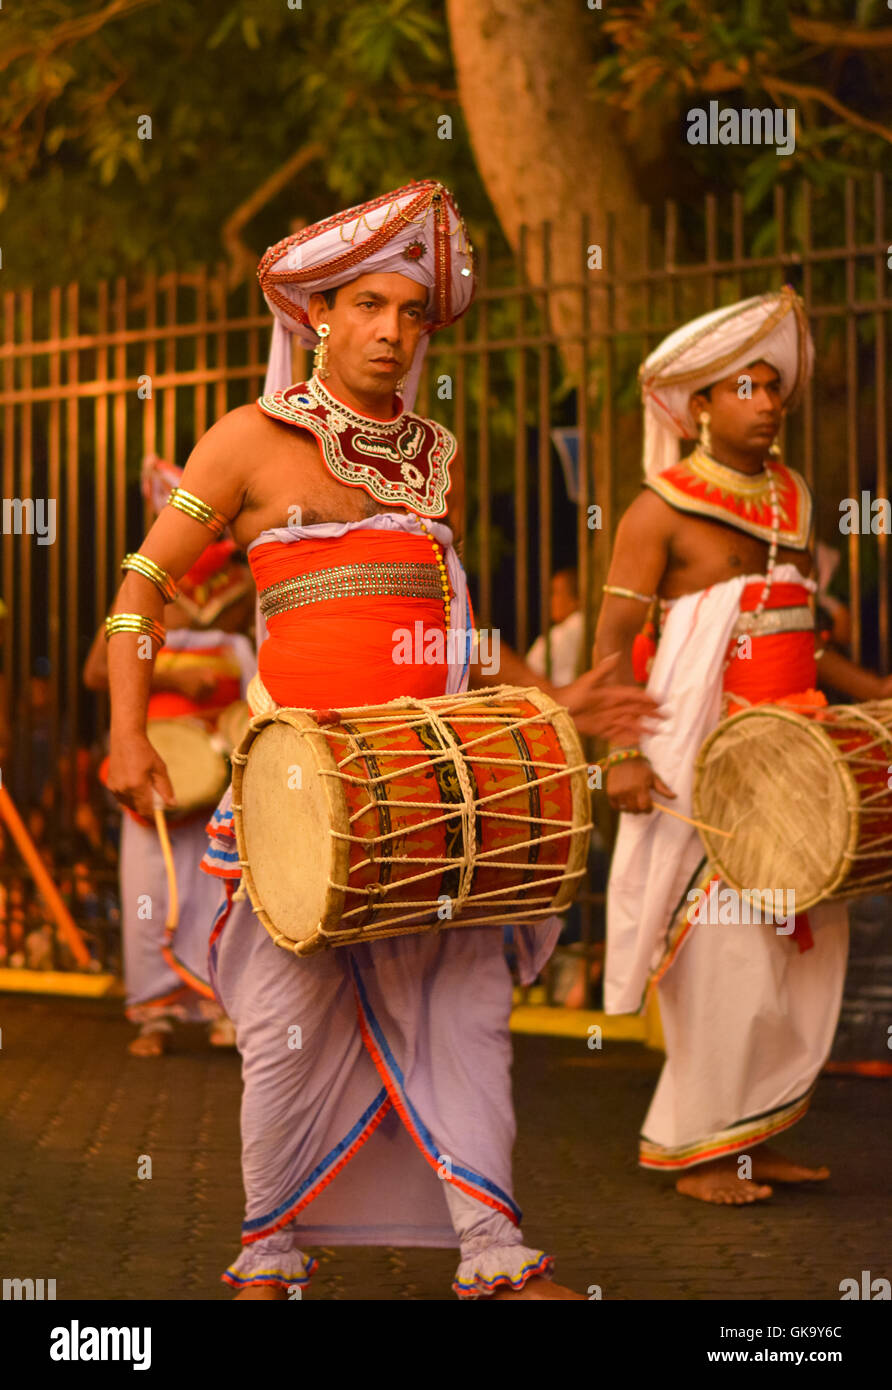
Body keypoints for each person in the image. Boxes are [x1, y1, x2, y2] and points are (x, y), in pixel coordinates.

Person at [104, 180, 659, 1298]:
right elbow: (140, 592)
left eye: (413, 315)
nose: (394, 333)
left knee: (466, 1012)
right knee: (284, 1026)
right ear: (320, 315)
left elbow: (453, 623)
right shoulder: (247, 440)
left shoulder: (435, 457)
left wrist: (555, 698)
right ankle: (266, 1252)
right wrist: (126, 730)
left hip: (435, 795)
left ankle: (494, 1252)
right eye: (370, 306)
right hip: (297, 796)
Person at [596, 286, 852, 1204]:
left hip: (794, 759)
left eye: (773, 386)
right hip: (697, 764)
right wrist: (619, 753)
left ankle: (757, 1129)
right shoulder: (656, 510)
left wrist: (866, 695)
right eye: (744, 386)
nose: (767, 400)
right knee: (723, 954)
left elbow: (800, 628)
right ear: (699, 404)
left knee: (796, 950)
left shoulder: (792, 497)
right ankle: (694, 1146)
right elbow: (609, 640)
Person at [86, 457, 257, 1055]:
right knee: (150, 886)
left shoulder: (241, 590)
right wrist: (177, 679)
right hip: (158, 762)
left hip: (218, 766)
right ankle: (153, 1015)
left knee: (218, 887)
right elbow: (93, 671)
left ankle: (220, 1006)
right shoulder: (143, 585)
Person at [526, 568, 584, 688]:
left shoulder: (571, 628)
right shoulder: (574, 627)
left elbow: (531, 668)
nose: (551, 600)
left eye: (556, 592)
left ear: (575, 600)